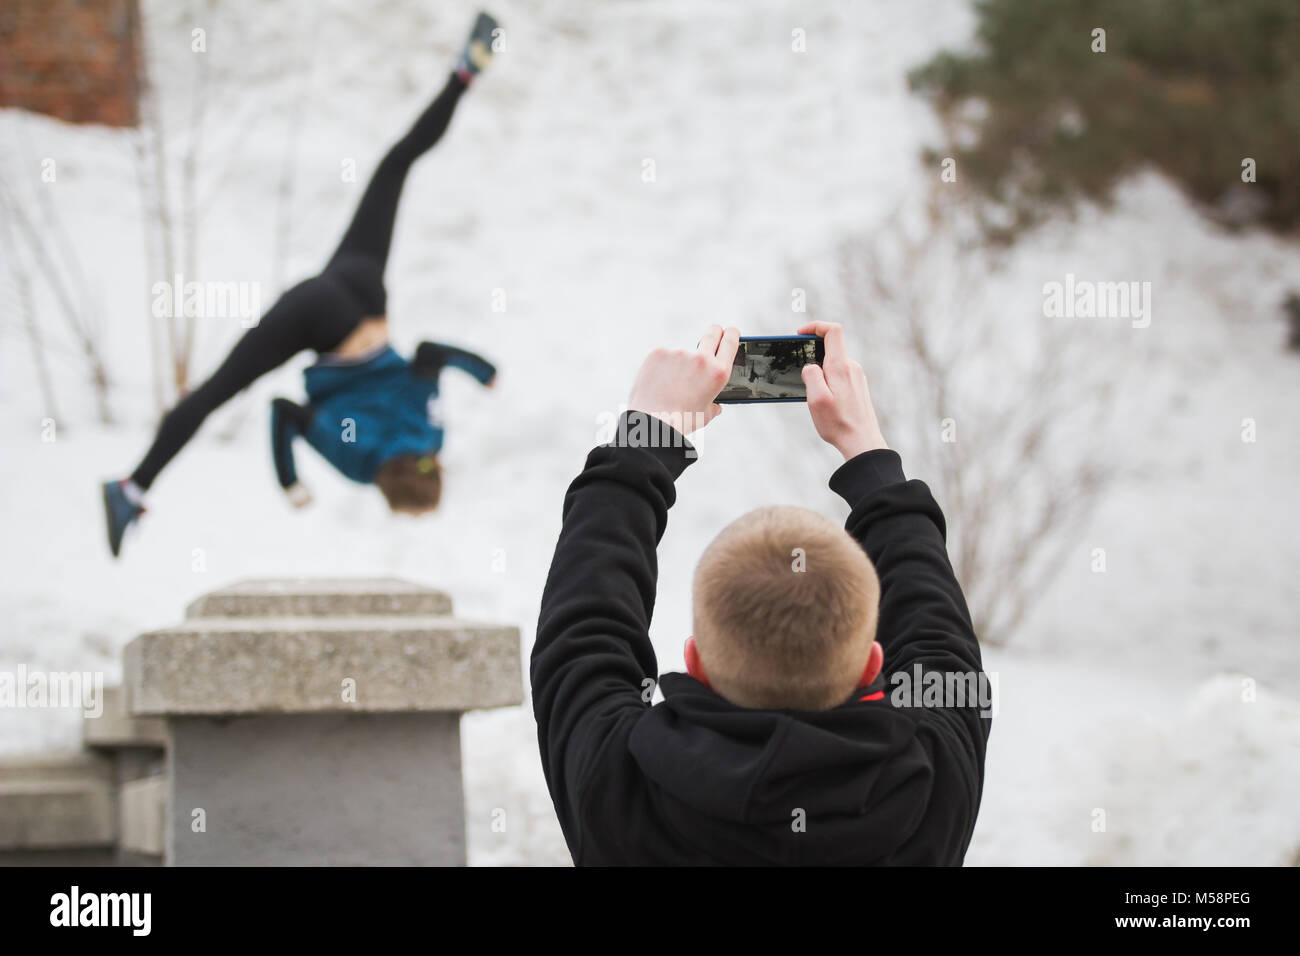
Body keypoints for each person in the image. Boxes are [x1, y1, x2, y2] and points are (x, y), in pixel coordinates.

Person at [532, 322, 991, 864]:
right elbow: (937, 634)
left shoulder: (617, 784)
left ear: (694, 660)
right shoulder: (930, 790)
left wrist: (647, 439)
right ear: (873, 666)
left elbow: (584, 629)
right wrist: (869, 453)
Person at [102, 12, 502, 557]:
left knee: (395, 165)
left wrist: (485, 373)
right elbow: (286, 413)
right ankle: (131, 487)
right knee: (218, 390)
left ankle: (462, 75)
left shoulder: (433, 436)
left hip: (363, 289)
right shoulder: (362, 464)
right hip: (324, 321)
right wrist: (290, 482)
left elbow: (430, 355)